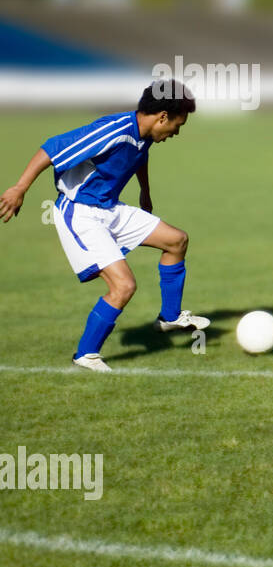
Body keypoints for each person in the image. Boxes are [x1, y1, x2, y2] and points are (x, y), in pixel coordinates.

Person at [0, 79, 211, 372]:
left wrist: (145, 191)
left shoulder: (144, 133)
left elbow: (139, 154)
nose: (176, 131)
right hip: (81, 212)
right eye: (178, 124)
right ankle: (86, 355)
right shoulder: (112, 129)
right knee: (124, 286)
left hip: (110, 208)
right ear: (162, 116)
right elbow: (52, 147)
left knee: (176, 240)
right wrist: (19, 188)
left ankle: (169, 318)